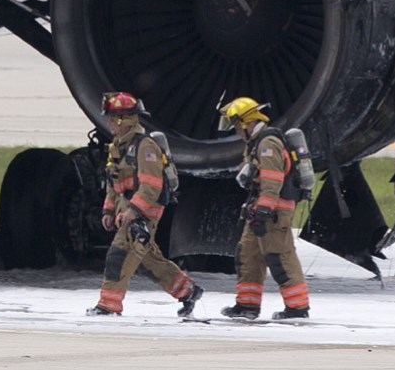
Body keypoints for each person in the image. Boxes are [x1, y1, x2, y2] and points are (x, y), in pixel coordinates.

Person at [86, 91, 204, 317]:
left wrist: (133, 210)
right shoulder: (118, 147)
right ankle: (188, 291)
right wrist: (109, 210)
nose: (109, 123)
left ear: (126, 120)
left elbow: (151, 185)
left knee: (119, 256)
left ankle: (108, 305)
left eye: (113, 118)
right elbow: (113, 183)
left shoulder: (145, 147)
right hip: (126, 209)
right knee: (148, 260)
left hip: (143, 213)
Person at [217, 96, 311, 320]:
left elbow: (272, 180)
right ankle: (247, 305)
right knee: (248, 256)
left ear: (247, 123)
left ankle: (297, 308)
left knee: (280, 257)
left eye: (238, 128)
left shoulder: (268, 144)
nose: (238, 133)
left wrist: (264, 210)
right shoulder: (256, 142)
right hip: (260, 209)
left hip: (273, 211)